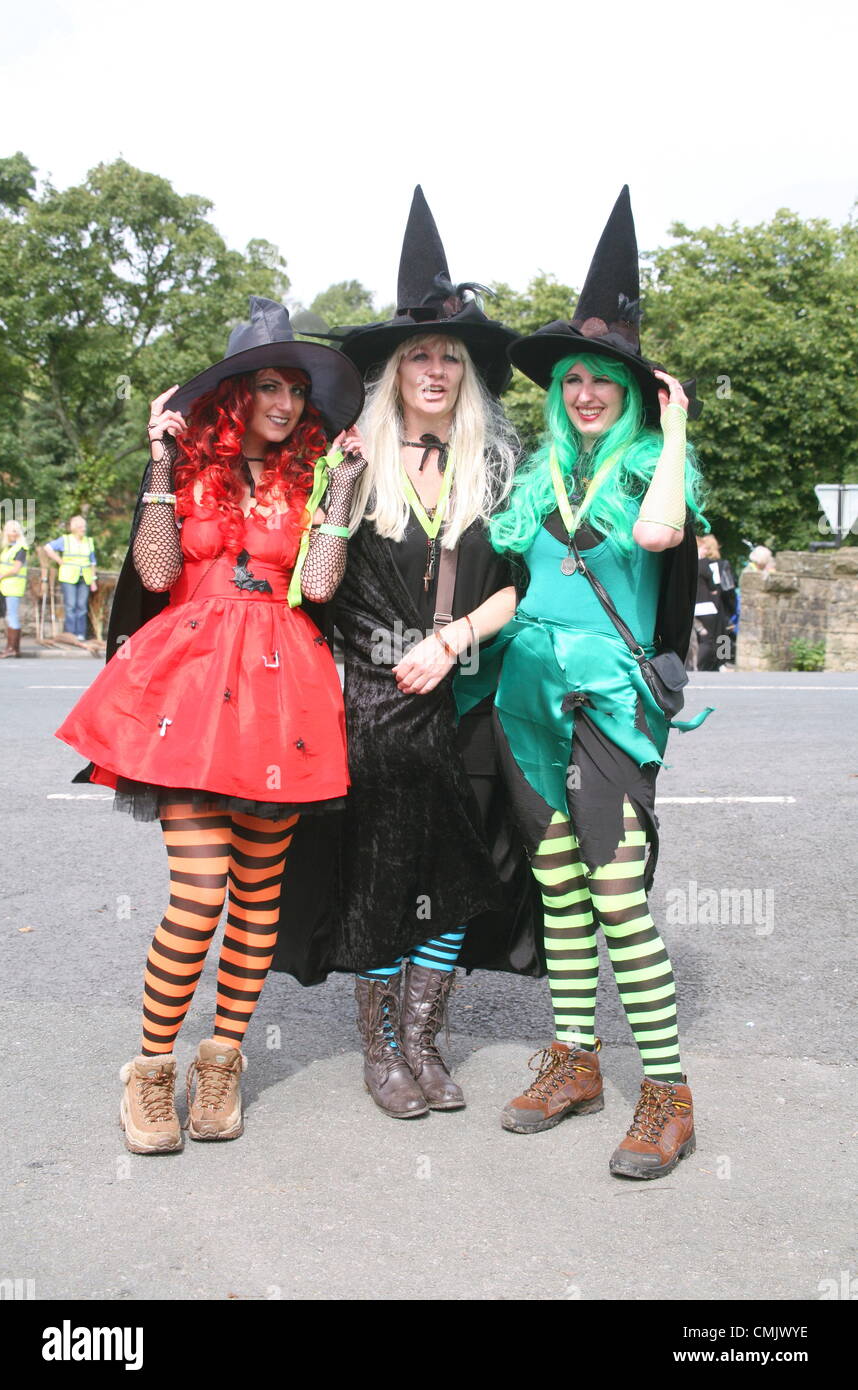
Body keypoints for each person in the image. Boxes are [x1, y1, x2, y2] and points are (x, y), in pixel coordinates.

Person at [55, 297, 365, 1153]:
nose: (286, 401)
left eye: (296, 388)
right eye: (268, 384)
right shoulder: (189, 470)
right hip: (188, 693)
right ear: (235, 393)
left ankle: (222, 1060)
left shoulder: (307, 479)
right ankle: (152, 1070)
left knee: (259, 896)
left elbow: (325, 585)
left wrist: (339, 489)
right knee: (198, 897)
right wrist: (158, 461)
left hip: (282, 690)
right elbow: (157, 570)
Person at [457, 188, 711, 1180]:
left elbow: (654, 537)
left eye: (602, 379)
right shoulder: (537, 480)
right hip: (526, 701)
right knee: (557, 886)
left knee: (615, 889)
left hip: (611, 704)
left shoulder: (656, 468)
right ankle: (572, 1059)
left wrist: (674, 422)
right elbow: (514, 591)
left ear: (629, 389)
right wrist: (450, 639)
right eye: (571, 379)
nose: (583, 393)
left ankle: (667, 1094)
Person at [273, 187, 527, 1119]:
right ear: (392, 371)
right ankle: (380, 1051)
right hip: (374, 708)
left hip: (463, 703)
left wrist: (457, 636)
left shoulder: (489, 471)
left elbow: (517, 588)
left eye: (447, 356)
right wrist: (337, 490)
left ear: (465, 373)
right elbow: (318, 585)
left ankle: (426, 1042)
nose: (432, 368)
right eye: (417, 354)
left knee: (453, 882)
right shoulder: (352, 459)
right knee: (382, 878)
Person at [44, 515, 98, 640]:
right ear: (73, 528)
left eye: (84, 526)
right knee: (70, 606)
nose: (83, 529)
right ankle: (70, 634)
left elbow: (92, 563)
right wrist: (59, 560)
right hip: (68, 577)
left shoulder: (88, 541)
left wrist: (93, 580)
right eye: (80, 527)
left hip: (85, 577)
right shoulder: (65, 540)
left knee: (82, 607)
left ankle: (80, 634)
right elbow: (48, 548)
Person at [695, 533, 736, 670]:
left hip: (700, 604)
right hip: (718, 604)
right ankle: (722, 661)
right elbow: (728, 588)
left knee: (704, 636)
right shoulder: (722, 564)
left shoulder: (697, 564)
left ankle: (707, 663)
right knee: (722, 634)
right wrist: (732, 608)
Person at [0, 519, 29, 657]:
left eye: (14, 530)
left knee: (12, 615)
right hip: (6, 586)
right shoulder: (8, 548)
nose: (12, 533)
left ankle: (12, 649)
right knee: (10, 615)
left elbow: (16, 569)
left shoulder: (21, 548)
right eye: (9, 530)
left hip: (14, 586)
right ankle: (13, 649)